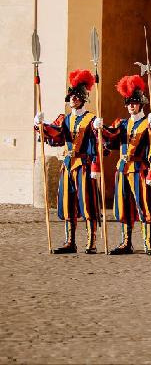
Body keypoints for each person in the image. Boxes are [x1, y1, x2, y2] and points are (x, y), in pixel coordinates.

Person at [34, 69, 102, 254]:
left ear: (83, 99)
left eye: (77, 96)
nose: (73, 99)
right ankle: (70, 241)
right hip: (68, 164)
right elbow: (55, 134)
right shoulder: (64, 119)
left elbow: (98, 144)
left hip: (84, 166)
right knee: (67, 202)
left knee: (87, 203)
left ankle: (91, 242)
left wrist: (96, 164)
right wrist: (40, 125)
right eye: (71, 96)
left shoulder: (91, 119)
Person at [100, 75, 151, 255]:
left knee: (144, 205)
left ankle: (147, 243)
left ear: (141, 104)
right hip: (123, 169)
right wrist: (101, 130)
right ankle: (126, 242)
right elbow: (111, 139)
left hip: (139, 169)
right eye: (128, 103)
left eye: (134, 103)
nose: (131, 106)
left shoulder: (148, 124)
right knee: (123, 205)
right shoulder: (123, 123)